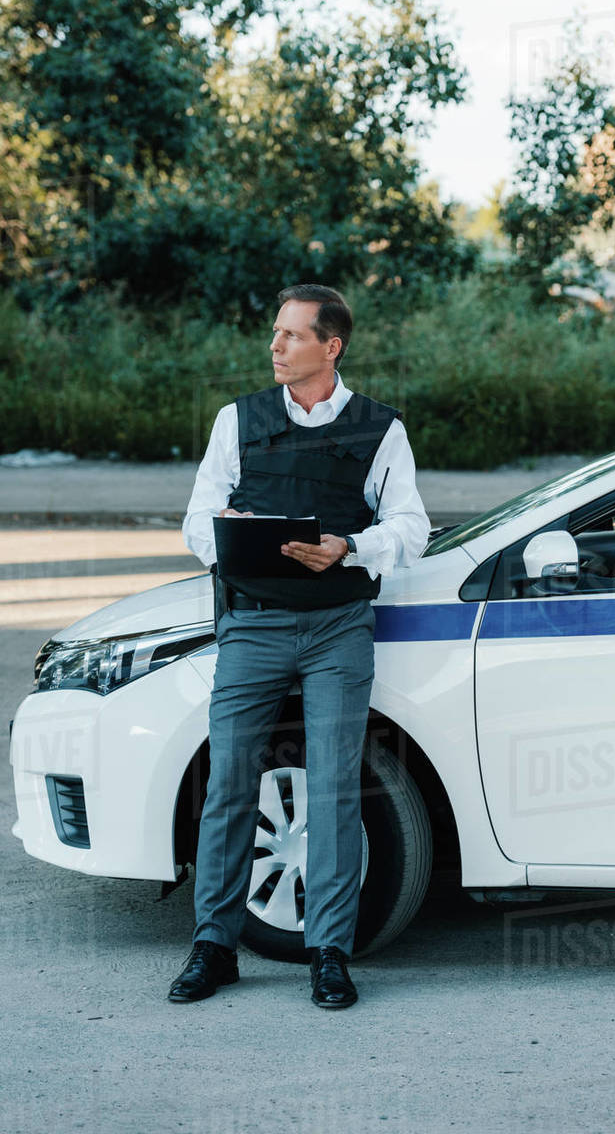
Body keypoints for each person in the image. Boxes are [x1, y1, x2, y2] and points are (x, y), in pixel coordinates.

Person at [168, 283, 430, 1008]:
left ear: (330, 347)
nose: (275, 346)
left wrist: (350, 546)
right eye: (276, 332)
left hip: (337, 627)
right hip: (251, 624)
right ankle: (214, 947)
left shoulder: (381, 428)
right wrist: (226, 534)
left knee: (335, 788)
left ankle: (330, 952)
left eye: (291, 335)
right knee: (228, 782)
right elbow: (195, 519)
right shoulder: (238, 419)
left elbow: (410, 526)